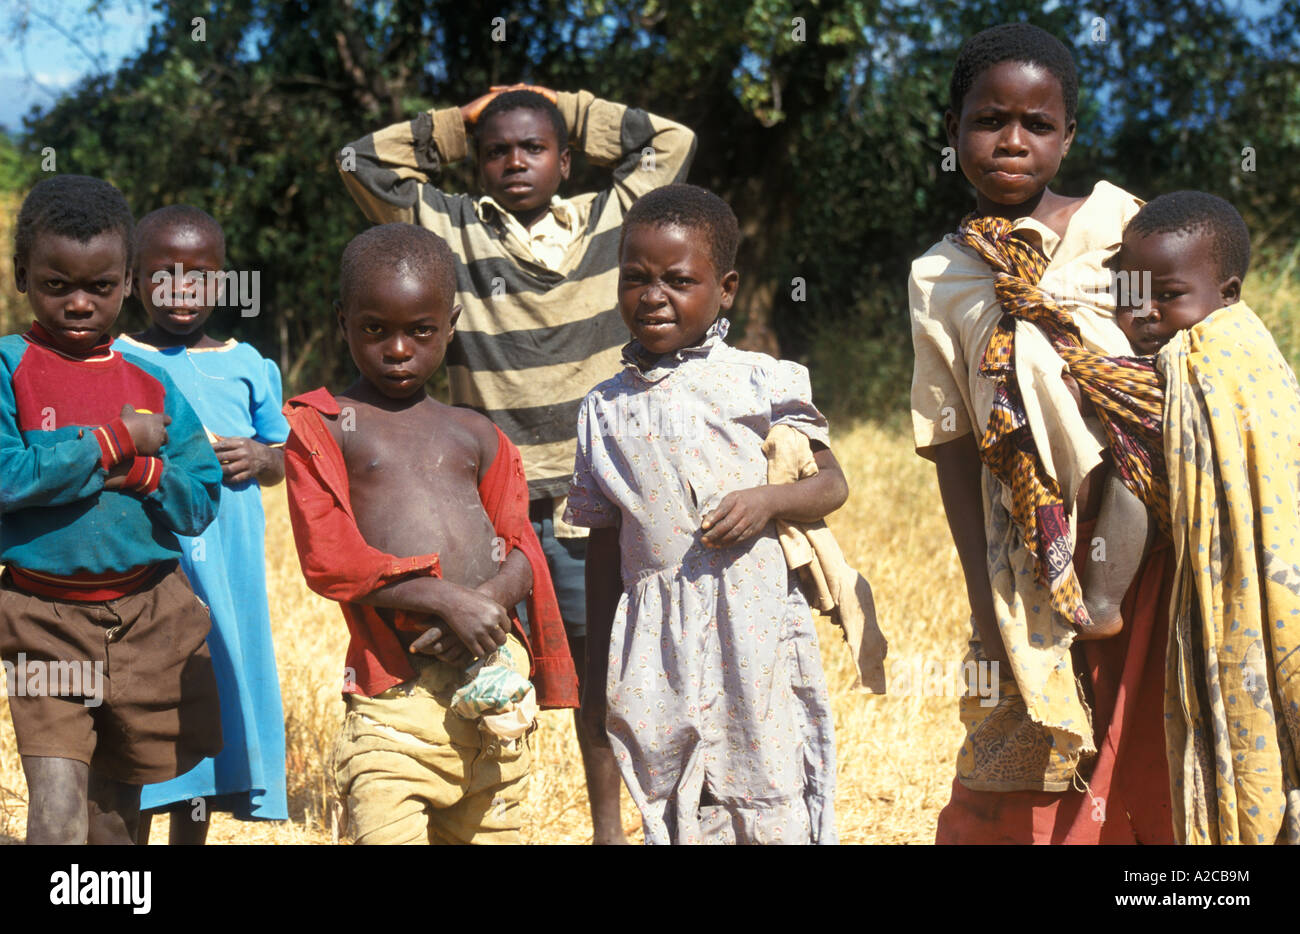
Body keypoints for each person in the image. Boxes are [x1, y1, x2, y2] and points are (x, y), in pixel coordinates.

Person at [336, 85, 695, 843]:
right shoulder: (448, 228)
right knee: (464, 665)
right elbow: (358, 161)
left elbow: (672, 141)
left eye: (535, 146)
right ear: (476, 164)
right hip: (487, 504)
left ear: (568, 159)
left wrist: (564, 102)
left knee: (603, 672)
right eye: (495, 150)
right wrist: (459, 121)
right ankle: (451, 804)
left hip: (592, 499)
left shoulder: (613, 218)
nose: (514, 162)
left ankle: (607, 830)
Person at [909, 23, 1174, 843]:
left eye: (1038, 124)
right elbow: (953, 445)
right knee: (1034, 769)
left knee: (1158, 744)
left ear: (1070, 137)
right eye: (989, 121)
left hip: (1159, 539)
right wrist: (981, 603)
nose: (1012, 141)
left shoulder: (1122, 228)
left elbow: (1179, 356)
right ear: (953, 131)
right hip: (1029, 552)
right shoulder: (939, 277)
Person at [565, 184, 845, 844]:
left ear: (725, 289)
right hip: (653, 637)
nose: (653, 295)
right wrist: (597, 662)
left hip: (753, 627)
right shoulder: (602, 409)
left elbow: (831, 484)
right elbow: (604, 544)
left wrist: (768, 500)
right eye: (635, 278)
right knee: (673, 790)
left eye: (678, 280)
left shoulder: (764, 380)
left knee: (768, 775)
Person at [281, 223, 577, 845]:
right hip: (396, 701)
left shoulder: (476, 433)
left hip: (493, 684)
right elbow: (329, 558)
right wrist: (445, 599)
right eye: (373, 329)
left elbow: (521, 545)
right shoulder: (325, 427)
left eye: (420, 330)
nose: (397, 349)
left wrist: (485, 606)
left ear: (451, 322)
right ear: (342, 323)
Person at [0, 174, 223, 844]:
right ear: (21, 276)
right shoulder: (10, 367)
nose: (77, 303)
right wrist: (113, 443)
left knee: (115, 824)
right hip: (42, 621)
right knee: (58, 815)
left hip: (148, 619)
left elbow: (200, 497)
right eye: (55, 284)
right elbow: (8, 477)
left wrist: (151, 471)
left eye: (99, 287)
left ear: (128, 282)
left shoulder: (151, 384)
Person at [1110, 190, 1300, 843]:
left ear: (1228, 292)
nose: (1143, 313)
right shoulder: (1233, 359)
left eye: (1167, 295)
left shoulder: (1202, 368)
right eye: (1128, 294)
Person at [114, 205, 290, 844]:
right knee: (143, 702)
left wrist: (263, 456)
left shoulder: (250, 365)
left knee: (211, 697)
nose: (183, 290)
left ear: (224, 281)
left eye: (201, 276)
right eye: (164, 276)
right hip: (151, 560)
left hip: (230, 567)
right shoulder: (116, 360)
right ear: (132, 281)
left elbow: (285, 457)